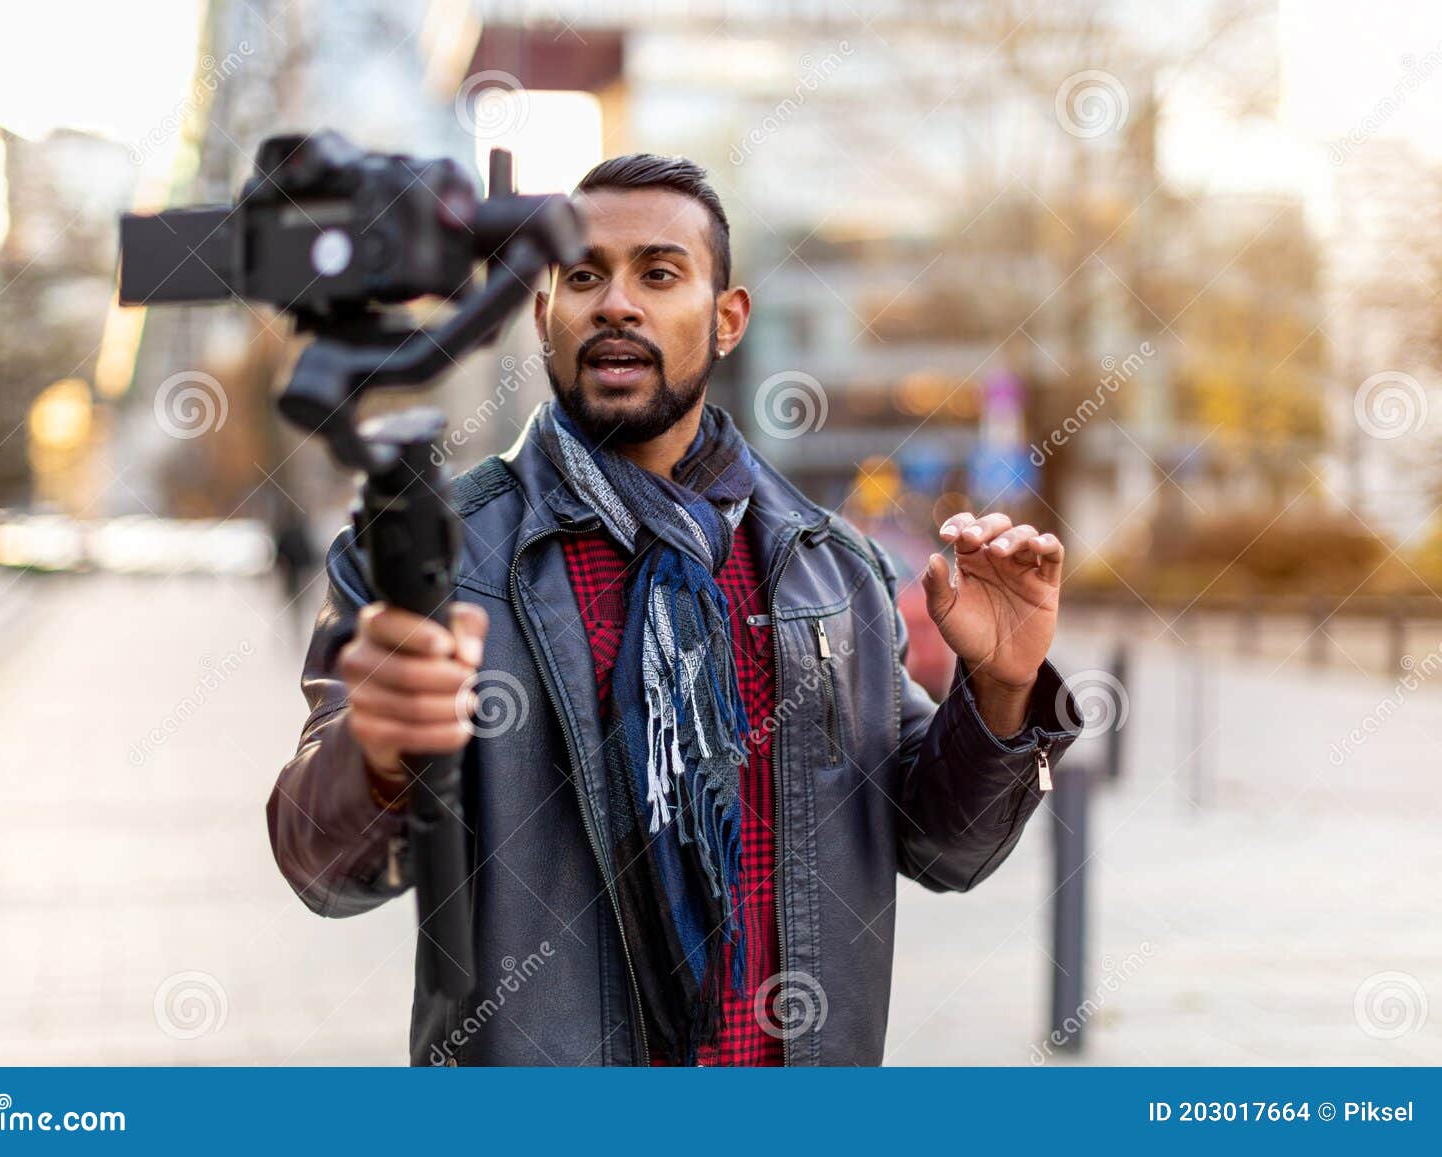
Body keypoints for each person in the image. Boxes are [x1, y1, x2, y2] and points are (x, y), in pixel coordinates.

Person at [266, 154, 1084, 1066]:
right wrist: (375, 755)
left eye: (659, 273)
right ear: (542, 313)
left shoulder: (829, 569)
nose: (617, 303)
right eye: (583, 276)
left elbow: (943, 847)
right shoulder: (428, 559)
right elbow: (322, 868)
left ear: (727, 319)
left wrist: (1003, 689)